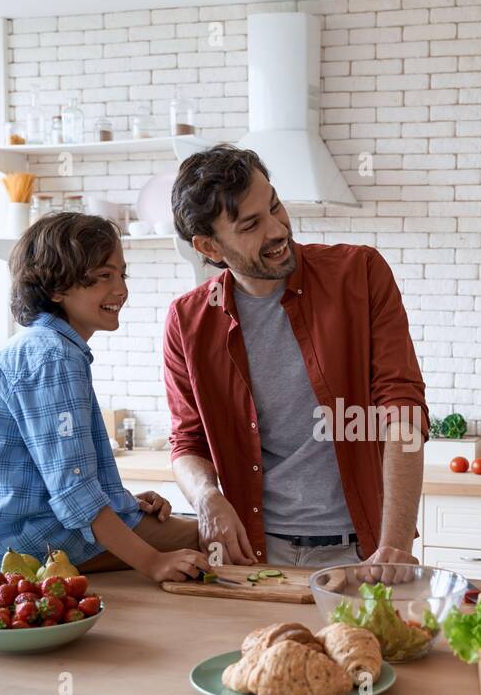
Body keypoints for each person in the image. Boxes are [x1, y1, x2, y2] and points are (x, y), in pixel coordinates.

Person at [163, 144, 428, 569]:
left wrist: (395, 545)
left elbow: (403, 411)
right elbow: (187, 441)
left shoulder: (359, 273)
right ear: (209, 247)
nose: (277, 230)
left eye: (275, 206)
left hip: (365, 550)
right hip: (256, 556)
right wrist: (206, 496)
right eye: (251, 224)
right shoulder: (188, 320)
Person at [0, 212, 209, 581]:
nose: (120, 289)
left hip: (3, 542)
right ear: (55, 288)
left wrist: (122, 502)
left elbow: (59, 477)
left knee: (194, 527)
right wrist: (154, 563)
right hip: (26, 550)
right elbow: (74, 493)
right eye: (103, 276)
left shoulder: (38, 348)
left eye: (122, 274)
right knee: (212, 535)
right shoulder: (54, 357)